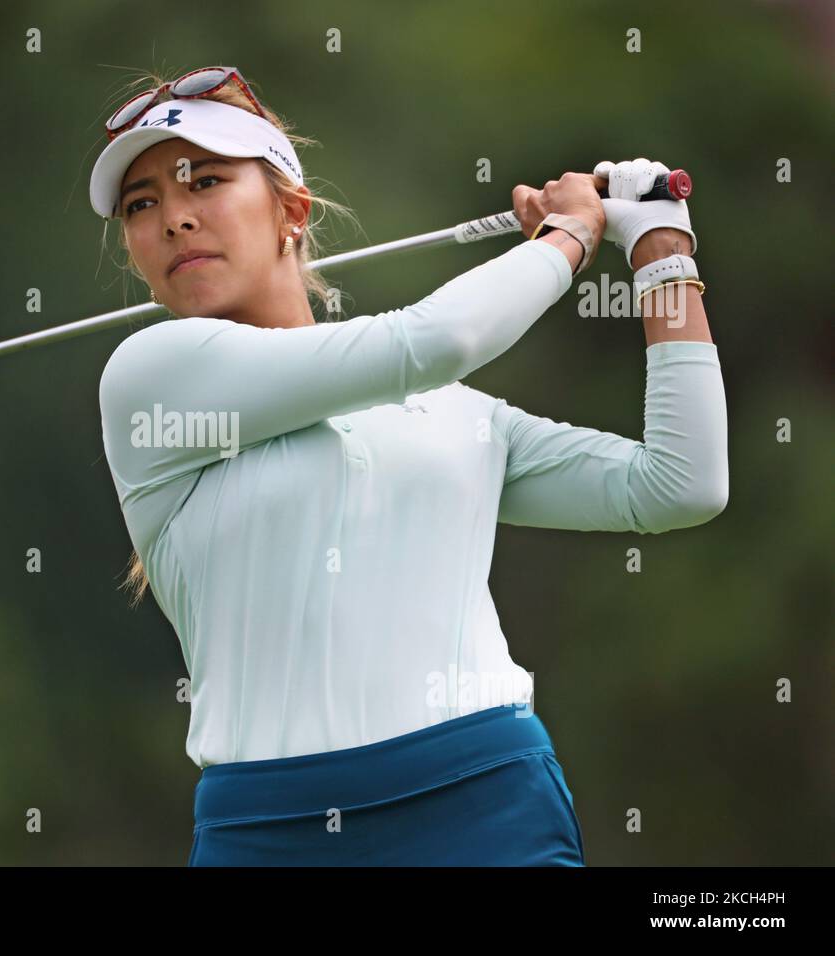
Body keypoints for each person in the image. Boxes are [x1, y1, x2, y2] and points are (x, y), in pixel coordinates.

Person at [89, 66, 727, 866]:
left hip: (487, 809)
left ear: (291, 209)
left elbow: (679, 484)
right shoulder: (151, 379)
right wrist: (570, 238)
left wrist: (660, 250)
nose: (174, 219)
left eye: (204, 181)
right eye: (142, 205)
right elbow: (431, 341)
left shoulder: (454, 413)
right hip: (273, 834)